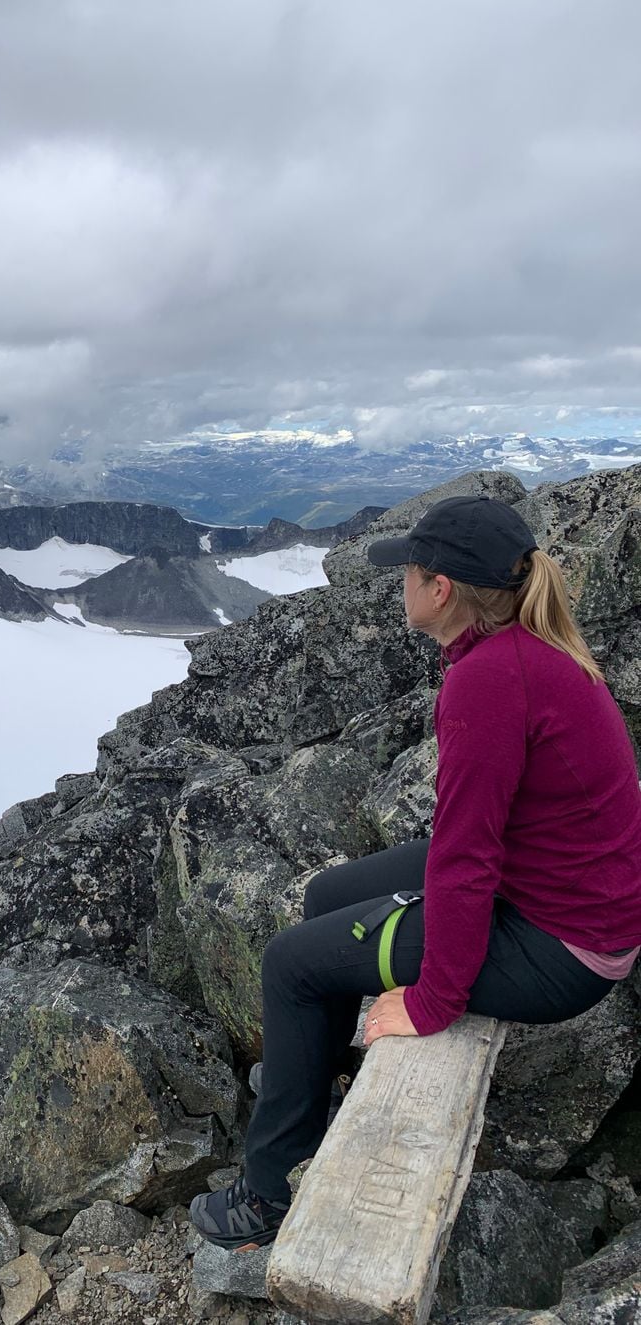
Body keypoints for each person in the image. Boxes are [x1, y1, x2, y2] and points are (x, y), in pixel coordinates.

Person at [189, 494, 641, 1251]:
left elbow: (464, 862)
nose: (399, 580)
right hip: (551, 890)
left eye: (409, 569)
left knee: (290, 964)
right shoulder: (521, 648)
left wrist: (433, 1001)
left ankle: (265, 1196)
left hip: (561, 947)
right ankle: (309, 1081)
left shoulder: (489, 681)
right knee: (326, 896)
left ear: (441, 589)